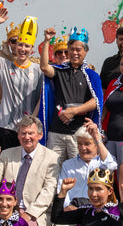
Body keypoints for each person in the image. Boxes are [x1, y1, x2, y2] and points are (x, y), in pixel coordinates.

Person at [0, 8, 44, 150]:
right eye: (19, 44)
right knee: (7, 165)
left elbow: (42, 96)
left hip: (28, 128)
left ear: (32, 48)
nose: (22, 48)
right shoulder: (3, 64)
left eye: (26, 46)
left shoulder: (38, 69)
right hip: (6, 126)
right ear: (14, 46)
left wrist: (33, 118)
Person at [39, 27, 103, 162]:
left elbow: (96, 101)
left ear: (86, 51)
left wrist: (74, 111)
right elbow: (45, 67)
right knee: (52, 172)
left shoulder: (91, 75)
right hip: (56, 133)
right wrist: (46, 41)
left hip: (78, 134)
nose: (74, 53)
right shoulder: (60, 71)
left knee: (78, 172)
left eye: (78, 50)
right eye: (72, 49)